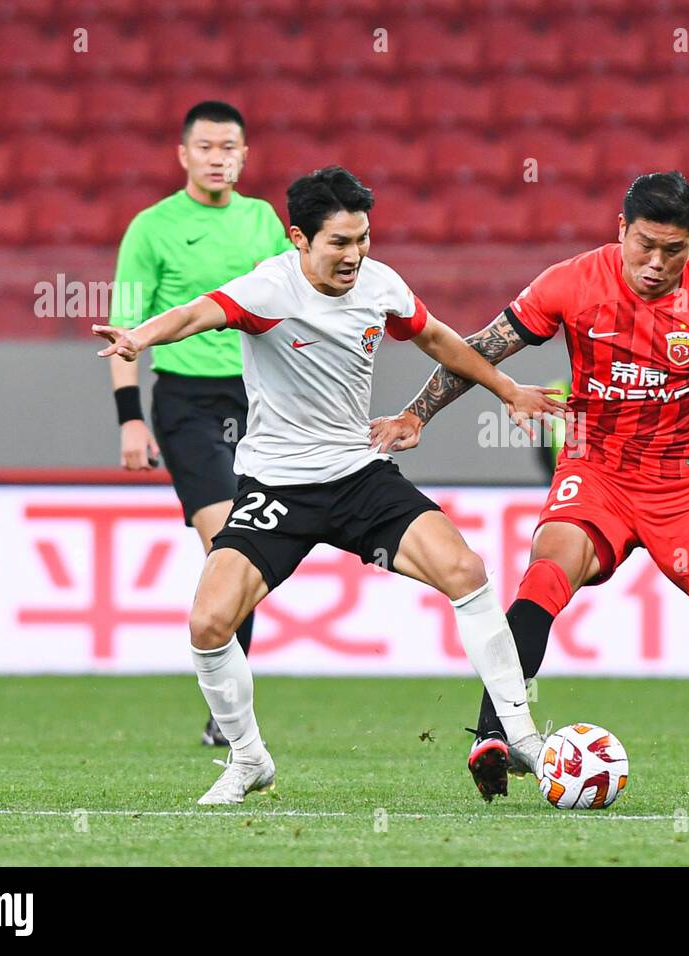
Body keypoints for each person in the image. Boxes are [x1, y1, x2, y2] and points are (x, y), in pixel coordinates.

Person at [373, 172, 689, 807]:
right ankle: (494, 737)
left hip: (686, 480)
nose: (656, 264)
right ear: (619, 229)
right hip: (594, 469)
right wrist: (416, 415)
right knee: (546, 573)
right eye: (645, 245)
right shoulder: (572, 282)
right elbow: (482, 347)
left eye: (673, 250)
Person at [93, 166, 567, 805]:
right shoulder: (269, 289)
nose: (354, 255)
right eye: (338, 243)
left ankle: (520, 735)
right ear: (299, 239)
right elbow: (197, 314)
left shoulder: (380, 285)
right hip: (277, 488)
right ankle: (248, 759)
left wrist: (507, 388)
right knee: (209, 624)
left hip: (355, 474)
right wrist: (140, 336)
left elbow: (434, 337)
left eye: (362, 238)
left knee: (466, 569)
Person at [106, 101, 292, 746]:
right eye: (207, 146)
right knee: (227, 540)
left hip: (258, 400)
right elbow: (126, 332)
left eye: (230, 147)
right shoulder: (153, 228)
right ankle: (228, 708)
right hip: (186, 401)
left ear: (245, 155)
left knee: (245, 553)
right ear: (183, 154)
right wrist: (131, 420)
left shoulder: (264, 220)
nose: (218, 157)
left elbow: (288, 309)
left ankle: (225, 704)